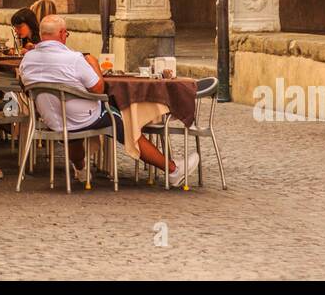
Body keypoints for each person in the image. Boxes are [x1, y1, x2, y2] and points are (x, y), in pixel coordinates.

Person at [20, 15, 197, 186]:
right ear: (61, 33)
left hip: (52, 120)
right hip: (85, 117)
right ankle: (173, 170)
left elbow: (24, 84)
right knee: (126, 123)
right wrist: (94, 63)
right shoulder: (74, 59)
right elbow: (98, 88)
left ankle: (81, 170)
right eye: (66, 34)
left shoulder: (27, 59)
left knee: (72, 128)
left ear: (42, 35)